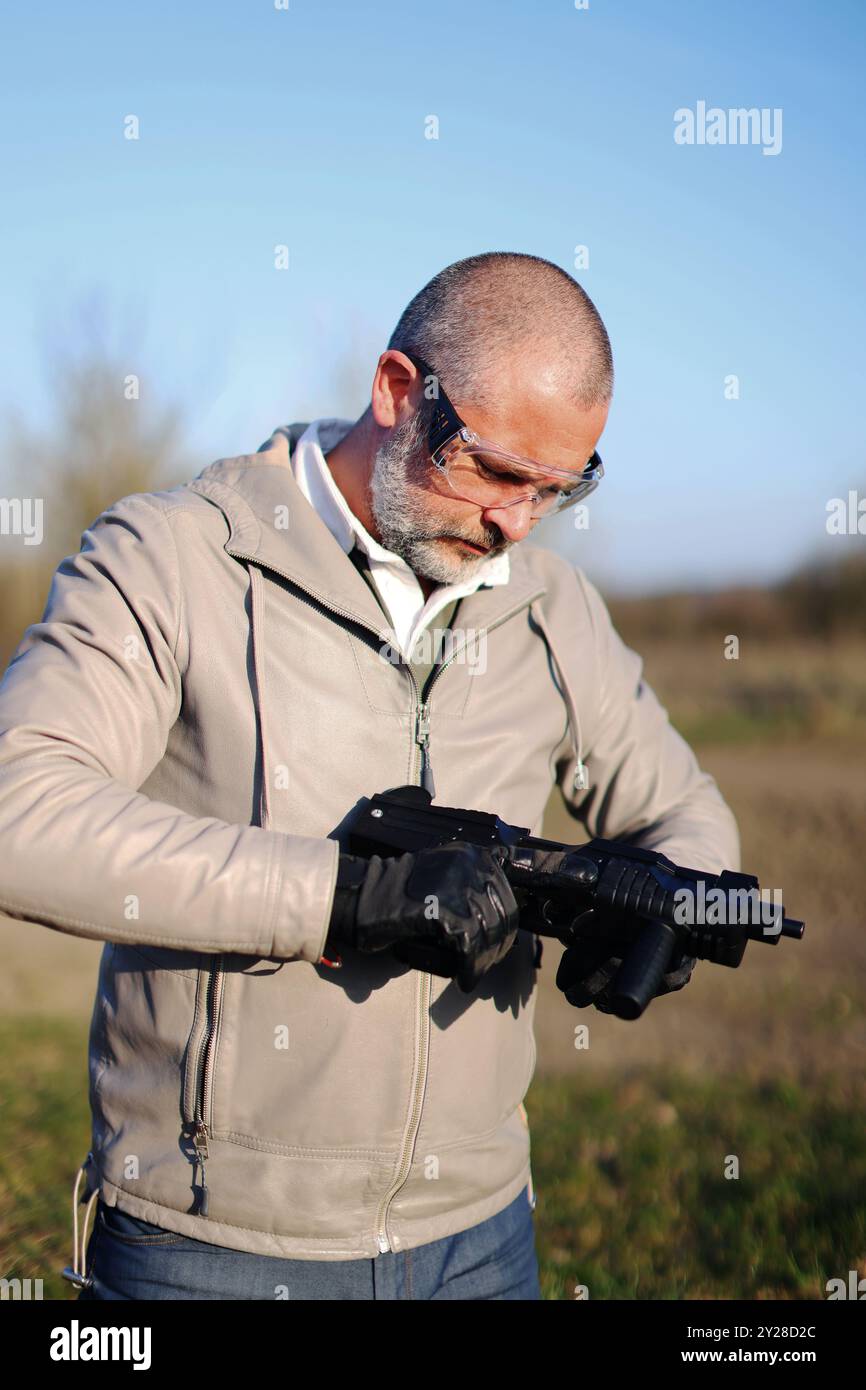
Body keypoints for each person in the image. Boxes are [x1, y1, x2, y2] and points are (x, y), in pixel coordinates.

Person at [0, 251, 740, 1301]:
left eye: (558, 488)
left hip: (479, 1237)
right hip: (208, 1247)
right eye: (493, 471)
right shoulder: (169, 559)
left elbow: (685, 813)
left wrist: (665, 901)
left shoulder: (547, 605)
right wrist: (341, 898)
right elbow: (20, 813)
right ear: (398, 391)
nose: (515, 526)